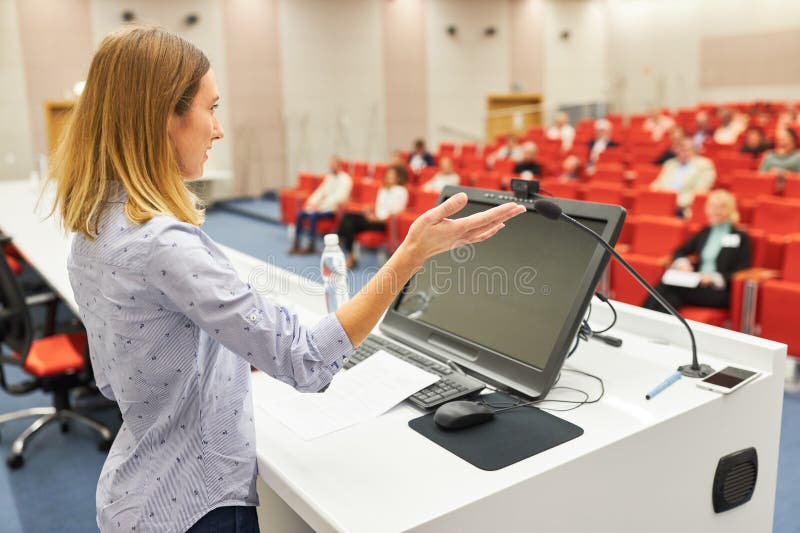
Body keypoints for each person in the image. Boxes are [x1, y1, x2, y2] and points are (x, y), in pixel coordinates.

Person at [48, 26, 525, 533]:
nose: (218, 129)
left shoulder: (95, 227)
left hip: (137, 497)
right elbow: (305, 359)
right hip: (196, 504)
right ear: (166, 114)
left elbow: (121, 370)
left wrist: (226, 351)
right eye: (211, 108)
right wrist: (410, 255)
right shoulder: (163, 242)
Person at [643, 190, 751, 312]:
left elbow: (742, 270)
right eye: (713, 207)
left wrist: (713, 278)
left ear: (730, 210)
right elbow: (679, 251)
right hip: (697, 283)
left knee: (669, 286)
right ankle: (650, 323)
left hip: (718, 291)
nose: (716, 211)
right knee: (672, 296)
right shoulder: (705, 231)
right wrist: (683, 264)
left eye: (722, 207)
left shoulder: (740, 236)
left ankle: (641, 317)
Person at [338, 166, 410, 269]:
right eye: (388, 176)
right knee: (348, 217)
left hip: (383, 223)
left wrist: (377, 219)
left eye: (392, 176)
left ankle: (342, 243)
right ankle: (349, 253)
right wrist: (370, 210)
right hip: (374, 218)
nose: (389, 178)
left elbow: (397, 212)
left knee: (350, 221)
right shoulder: (383, 189)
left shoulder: (401, 191)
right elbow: (379, 206)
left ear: (398, 178)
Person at [290, 156, 352, 254]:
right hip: (320, 208)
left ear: (339, 165)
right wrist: (310, 203)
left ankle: (310, 245)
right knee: (301, 214)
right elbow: (320, 192)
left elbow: (339, 198)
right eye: (330, 165)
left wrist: (319, 207)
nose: (331, 167)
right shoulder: (329, 177)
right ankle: (296, 243)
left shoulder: (345, 179)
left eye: (333, 165)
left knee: (312, 216)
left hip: (331, 210)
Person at [650, 137, 716, 215]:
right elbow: (656, 184)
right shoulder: (670, 164)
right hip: (663, 203)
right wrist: (658, 197)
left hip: (684, 207)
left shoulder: (704, 165)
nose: (682, 152)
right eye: (680, 149)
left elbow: (700, 191)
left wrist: (675, 202)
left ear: (694, 150)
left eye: (686, 149)